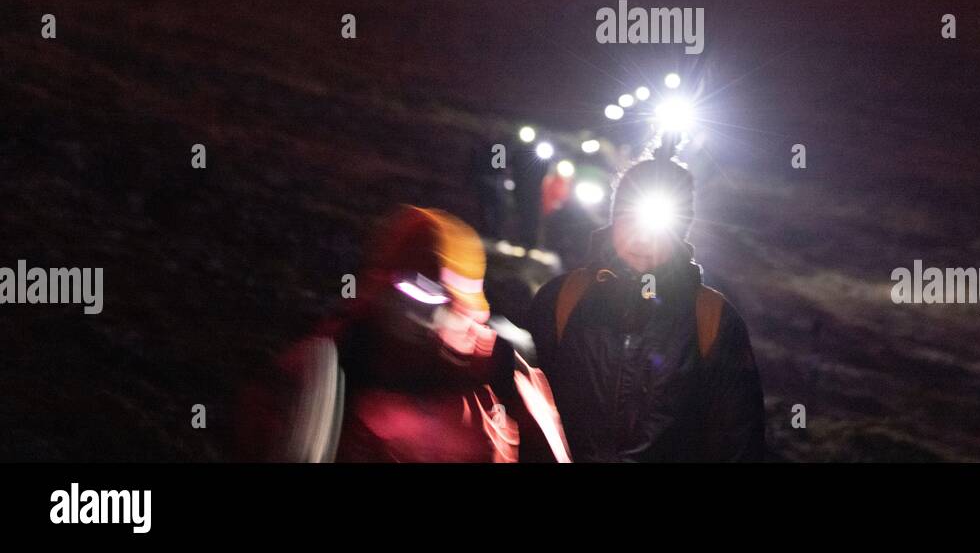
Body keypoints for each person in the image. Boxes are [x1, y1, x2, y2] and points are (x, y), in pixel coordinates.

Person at [239, 206, 569, 462]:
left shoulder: (503, 376)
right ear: (381, 285)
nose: (424, 313)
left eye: (439, 296)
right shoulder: (325, 371)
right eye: (409, 288)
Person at [525, 150, 765, 461]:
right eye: (629, 219)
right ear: (613, 220)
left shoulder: (713, 320)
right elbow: (524, 413)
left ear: (680, 231)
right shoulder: (561, 299)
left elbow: (738, 442)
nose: (642, 239)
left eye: (657, 227)